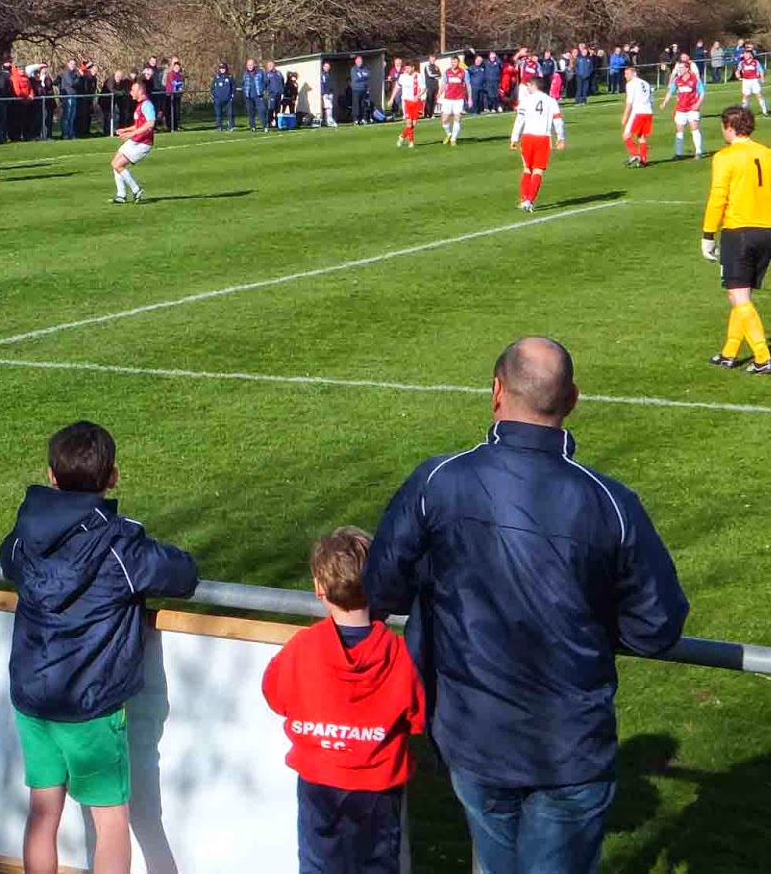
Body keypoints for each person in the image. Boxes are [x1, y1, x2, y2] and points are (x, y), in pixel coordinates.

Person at [364, 338, 689, 874]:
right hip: (565, 745)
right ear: (573, 400)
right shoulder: (610, 501)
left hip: (476, 737)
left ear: (495, 392)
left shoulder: (439, 480)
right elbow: (657, 625)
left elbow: (382, 590)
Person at [0, 420, 198, 874]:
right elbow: (182, 574)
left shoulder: (27, 535)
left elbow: (7, 559)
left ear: (51, 474)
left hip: (35, 698)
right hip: (91, 706)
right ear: (113, 477)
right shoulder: (119, 545)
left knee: (42, 812)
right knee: (111, 823)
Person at [262, 527, 424, 874]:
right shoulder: (399, 655)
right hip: (378, 790)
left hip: (320, 783)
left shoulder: (301, 649)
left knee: (319, 865)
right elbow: (417, 716)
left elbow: (275, 695)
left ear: (318, 587)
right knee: (377, 865)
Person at [702, 106, 771, 374]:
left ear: (729, 126)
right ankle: (729, 352)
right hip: (765, 231)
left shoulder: (724, 158)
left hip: (738, 232)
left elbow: (718, 197)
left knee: (737, 295)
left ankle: (762, 357)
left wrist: (708, 233)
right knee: (742, 295)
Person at [510, 77, 565, 212]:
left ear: (534, 85)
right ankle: (529, 200)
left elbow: (519, 120)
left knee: (527, 169)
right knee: (538, 170)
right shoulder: (551, 101)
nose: (527, 88)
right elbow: (558, 121)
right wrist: (561, 137)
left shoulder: (526, 100)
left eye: (528, 85)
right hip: (543, 138)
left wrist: (514, 138)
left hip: (527, 137)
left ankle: (524, 200)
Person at [110, 76, 155, 203]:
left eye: (133, 90)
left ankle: (136, 189)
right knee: (114, 163)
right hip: (135, 139)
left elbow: (150, 124)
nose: (130, 92)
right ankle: (121, 195)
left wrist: (132, 133)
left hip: (142, 143)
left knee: (117, 165)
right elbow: (139, 125)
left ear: (140, 92)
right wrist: (126, 130)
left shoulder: (147, 105)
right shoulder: (140, 105)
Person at [660, 54, 706, 160]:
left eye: (681, 68)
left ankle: (698, 152)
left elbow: (702, 93)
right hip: (680, 109)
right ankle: (678, 153)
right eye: (678, 68)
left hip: (692, 109)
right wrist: (664, 102)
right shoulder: (677, 80)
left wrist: (698, 104)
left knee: (694, 129)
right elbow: (670, 92)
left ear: (687, 69)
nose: (679, 70)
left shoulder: (695, 79)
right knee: (679, 131)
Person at [621, 66, 655, 167]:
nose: (625, 76)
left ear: (634, 73)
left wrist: (625, 116)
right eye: (625, 74)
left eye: (628, 74)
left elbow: (629, 102)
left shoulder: (631, 84)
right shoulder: (645, 83)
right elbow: (651, 98)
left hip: (638, 112)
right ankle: (643, 160)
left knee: (626, 135)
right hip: (648, 111)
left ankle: (635, 155)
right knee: (641, 136)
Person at [437, 55, 468, 145]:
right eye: (452, 62)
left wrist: (469, 98)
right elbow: (443, 84)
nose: (453, 64)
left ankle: (454, 139)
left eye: (455, 62)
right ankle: (449, 134)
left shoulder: (464, 72)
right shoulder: (446, 72)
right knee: (444, 119)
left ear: (458, 63)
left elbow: (468, 85)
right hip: (448, 98)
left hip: (459, 99)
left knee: (457, 118)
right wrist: (439, 94)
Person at [392, 63, 424, 149]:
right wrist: (391, 98)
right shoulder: (402, 77)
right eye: (405, 68)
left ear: (413, 68)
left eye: (408, 68)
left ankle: (402, 136)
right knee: (409, 123)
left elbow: (424, 88)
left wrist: (418, 95)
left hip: (416, 102)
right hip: (406, 102)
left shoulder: (418, 76)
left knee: (413, 124)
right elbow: (397, 87)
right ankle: (411, 142)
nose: (407, 70)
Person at [734, 44, 769, 116]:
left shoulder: (755, 62)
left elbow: (761, 70)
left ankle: (765, 111)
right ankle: (743, 112)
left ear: (750, 55)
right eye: (744, 54)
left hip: (754, 80)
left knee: (759, 95)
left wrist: (762, 78)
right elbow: (738, 70)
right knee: (745, 96)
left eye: (746, 54)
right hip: (746, 81)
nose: (745, 55)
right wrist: (737, 74)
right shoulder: (742, 63)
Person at [210, 62, 235, 131]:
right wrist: (214, 96)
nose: (222, 69)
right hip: (218, 99)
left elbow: (233, 87)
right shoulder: (216, 77)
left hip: (228, 98)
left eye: (223, 68)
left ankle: (231, 126)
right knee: (218, 114)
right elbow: (212, 87)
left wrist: (232, 96)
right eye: (221, 68)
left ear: (226, 68)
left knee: (230, 113)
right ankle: (219, 126)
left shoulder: (229, 77)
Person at [243, 59, 265, 131]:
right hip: (248, 96)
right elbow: (242, 83)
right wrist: (245, 90)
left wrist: (262, 89)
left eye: (251, 65)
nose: (250, 66)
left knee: (262, 111)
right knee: (250, 112)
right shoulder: (245, 74)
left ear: (255, 65)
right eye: (248, 65)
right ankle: (253, 127)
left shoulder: (260, 72)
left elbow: (265, 81)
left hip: (258, 95)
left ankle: (265, 126)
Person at [318, 60, 338, 128]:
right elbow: (322, 84)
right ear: (323, 67)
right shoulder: (323, 75)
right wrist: (324, 93)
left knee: (329, 107)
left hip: (330, 93)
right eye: (326, 66)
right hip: (326, 93)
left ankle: (327, 121)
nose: (327, 67)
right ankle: (329, 121)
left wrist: (331, 92)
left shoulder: (329, 74)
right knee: (328, 107)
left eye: (328, 66)